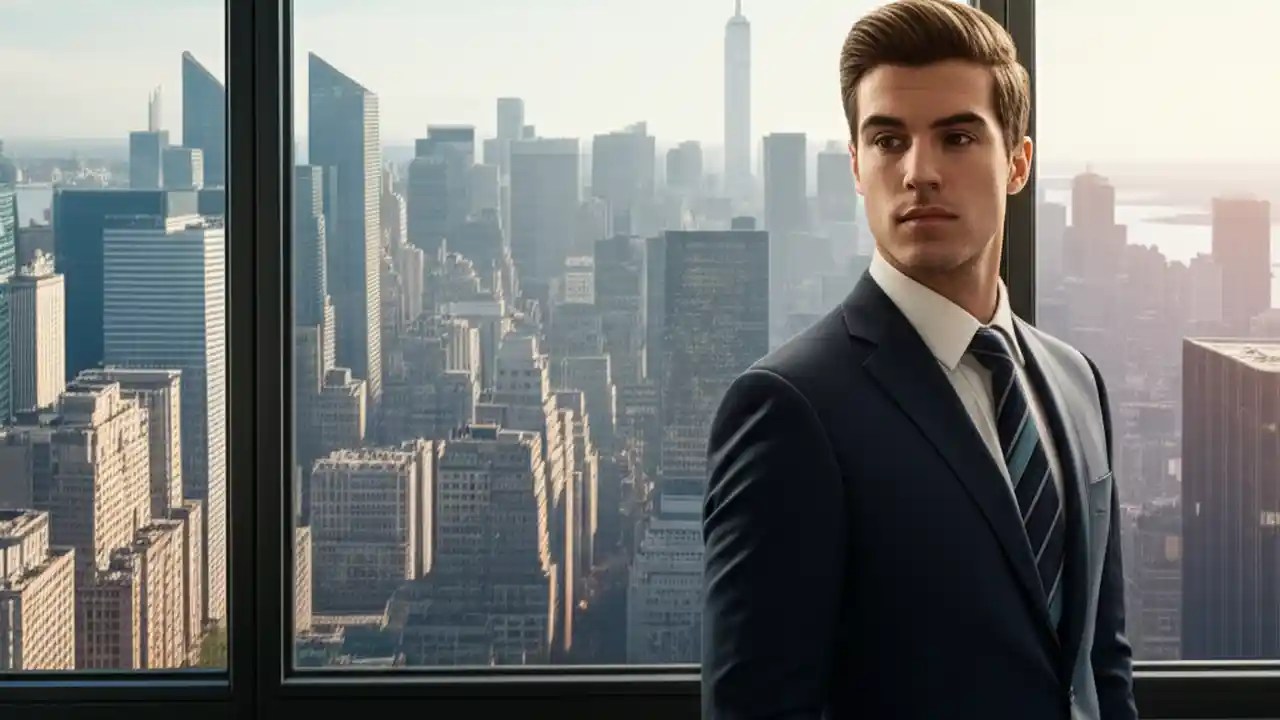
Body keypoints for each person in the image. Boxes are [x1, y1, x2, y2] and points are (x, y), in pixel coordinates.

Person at [700, 1, 1138, 718]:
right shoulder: (790, 409)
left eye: (958, 137)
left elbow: (1099, 665)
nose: (919, 172)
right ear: (856, 165)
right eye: (888, 140)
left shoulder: (1074, 381)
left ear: (1019, 161)